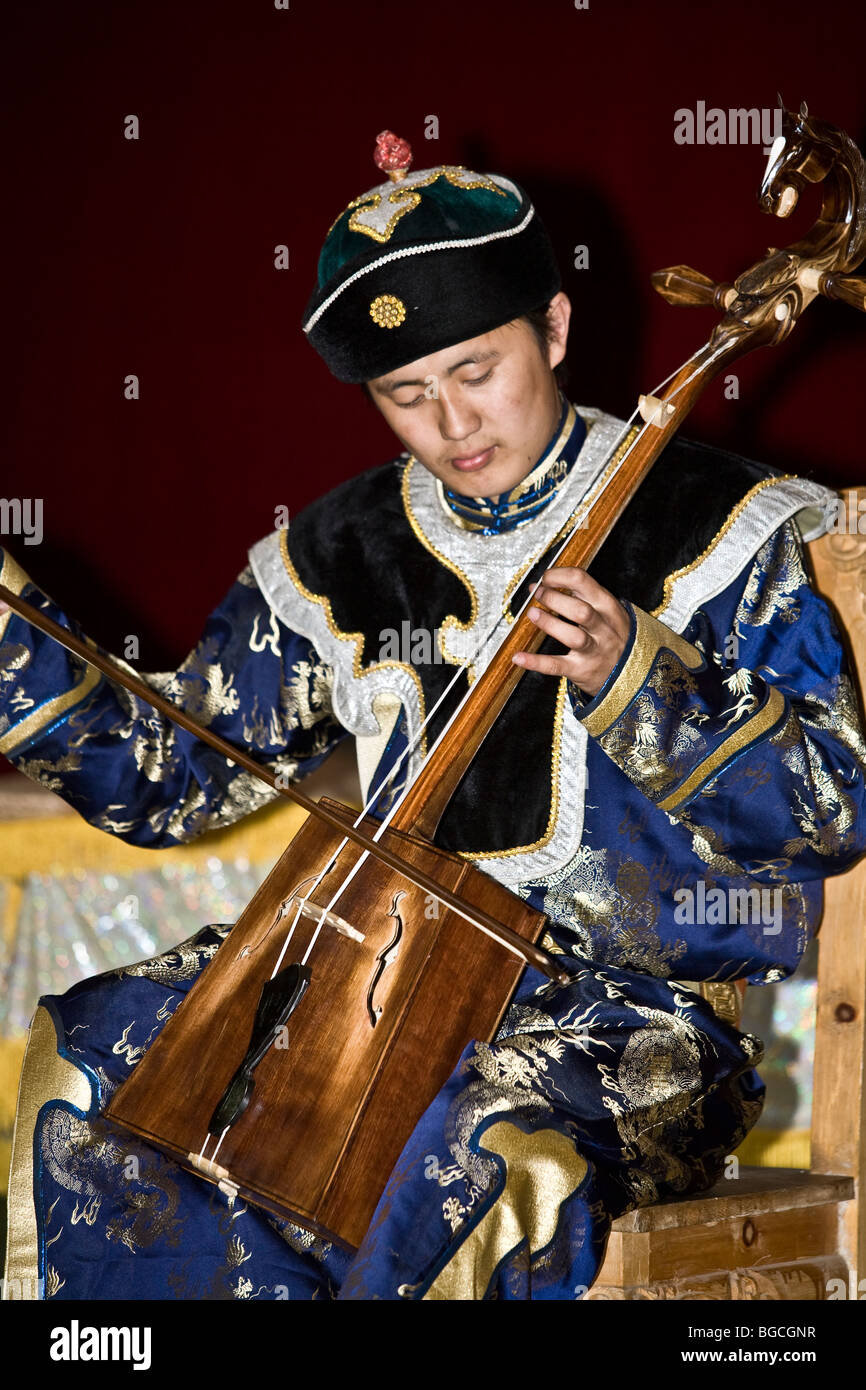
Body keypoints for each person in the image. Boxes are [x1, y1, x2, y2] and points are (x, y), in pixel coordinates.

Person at [2, 131, 865, 1302]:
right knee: (96, 1057)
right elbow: (174, 779)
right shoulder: (333, 552)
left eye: (477, 371)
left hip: (631, 1029)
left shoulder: (719, 523)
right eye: (405, 395)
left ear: (554, 330)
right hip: (373, 978)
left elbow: (832, 806)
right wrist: (16, 640)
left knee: (466, 1149)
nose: (452, 424)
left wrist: (634, 681)